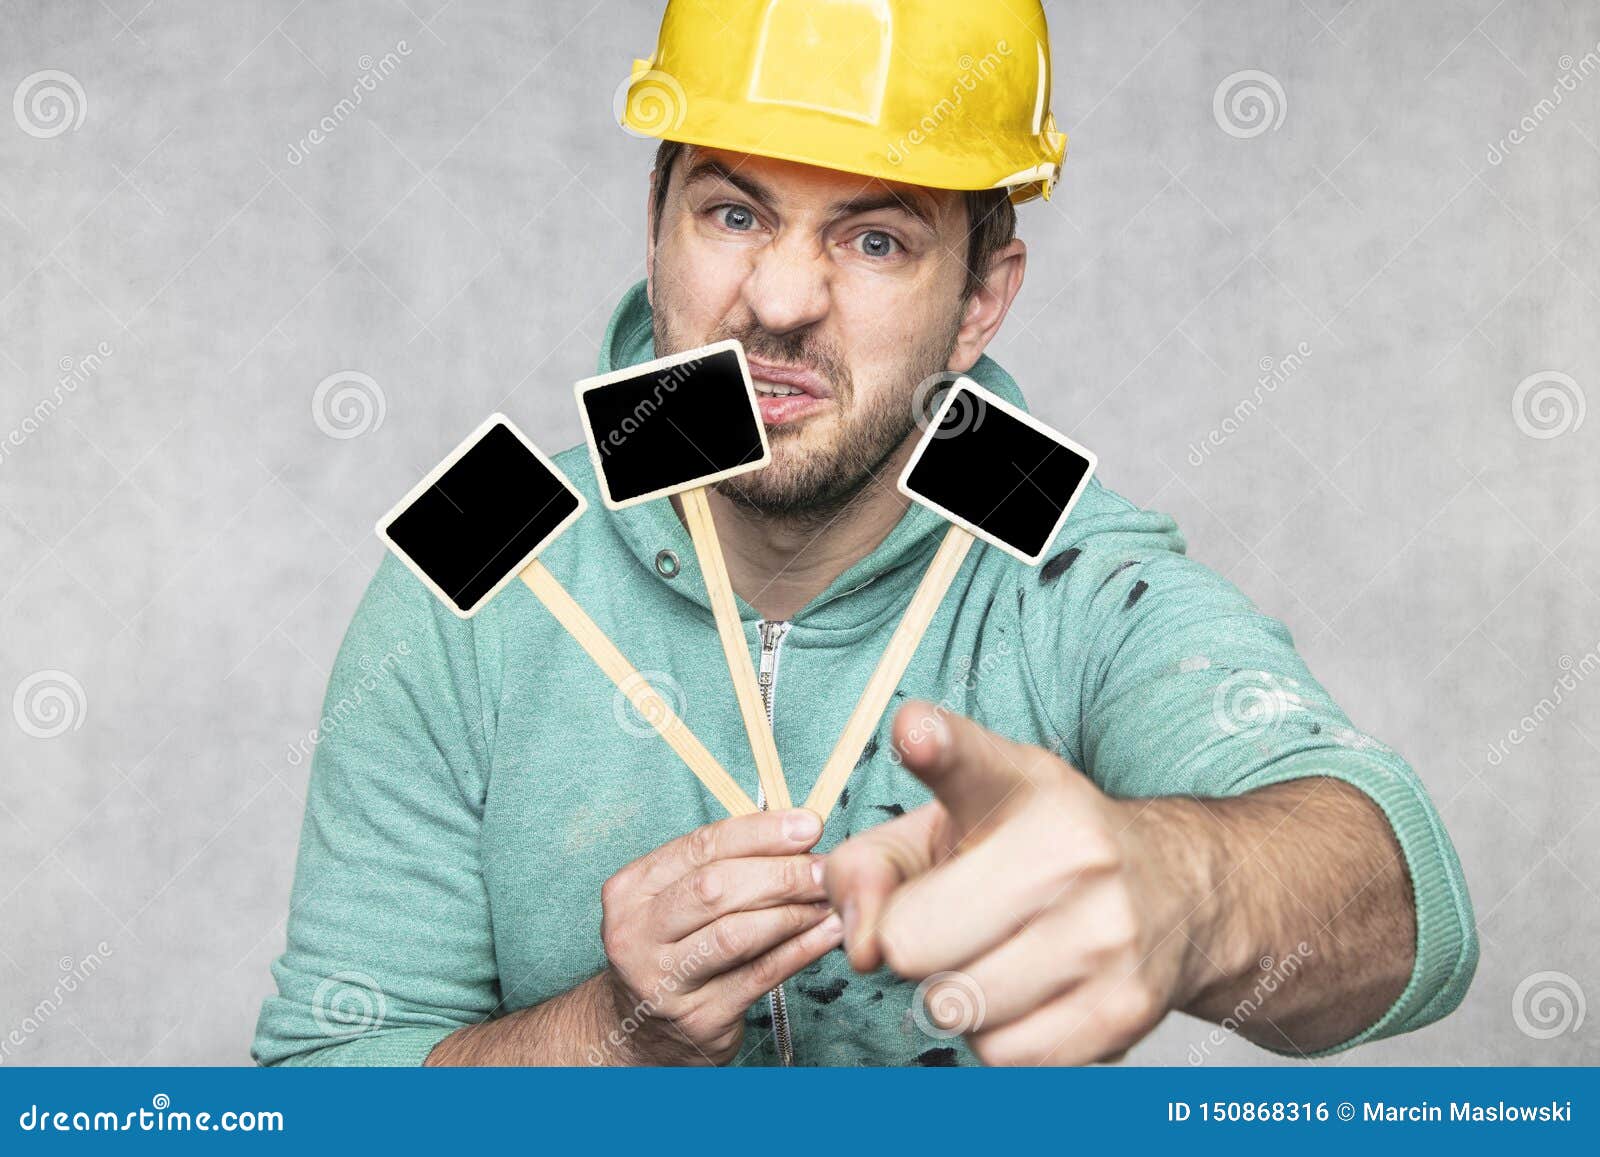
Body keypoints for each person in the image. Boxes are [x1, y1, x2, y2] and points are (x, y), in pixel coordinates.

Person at [253, 0, 1475, 1067]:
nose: (779, 302)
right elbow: (319, 1086)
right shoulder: (478, 560)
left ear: (980, 301)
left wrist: (1186, 886)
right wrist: (613, 1033)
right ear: (655, 224)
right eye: (733, 214)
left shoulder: (1064, 559)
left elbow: (1404, 899)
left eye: (874, 238)